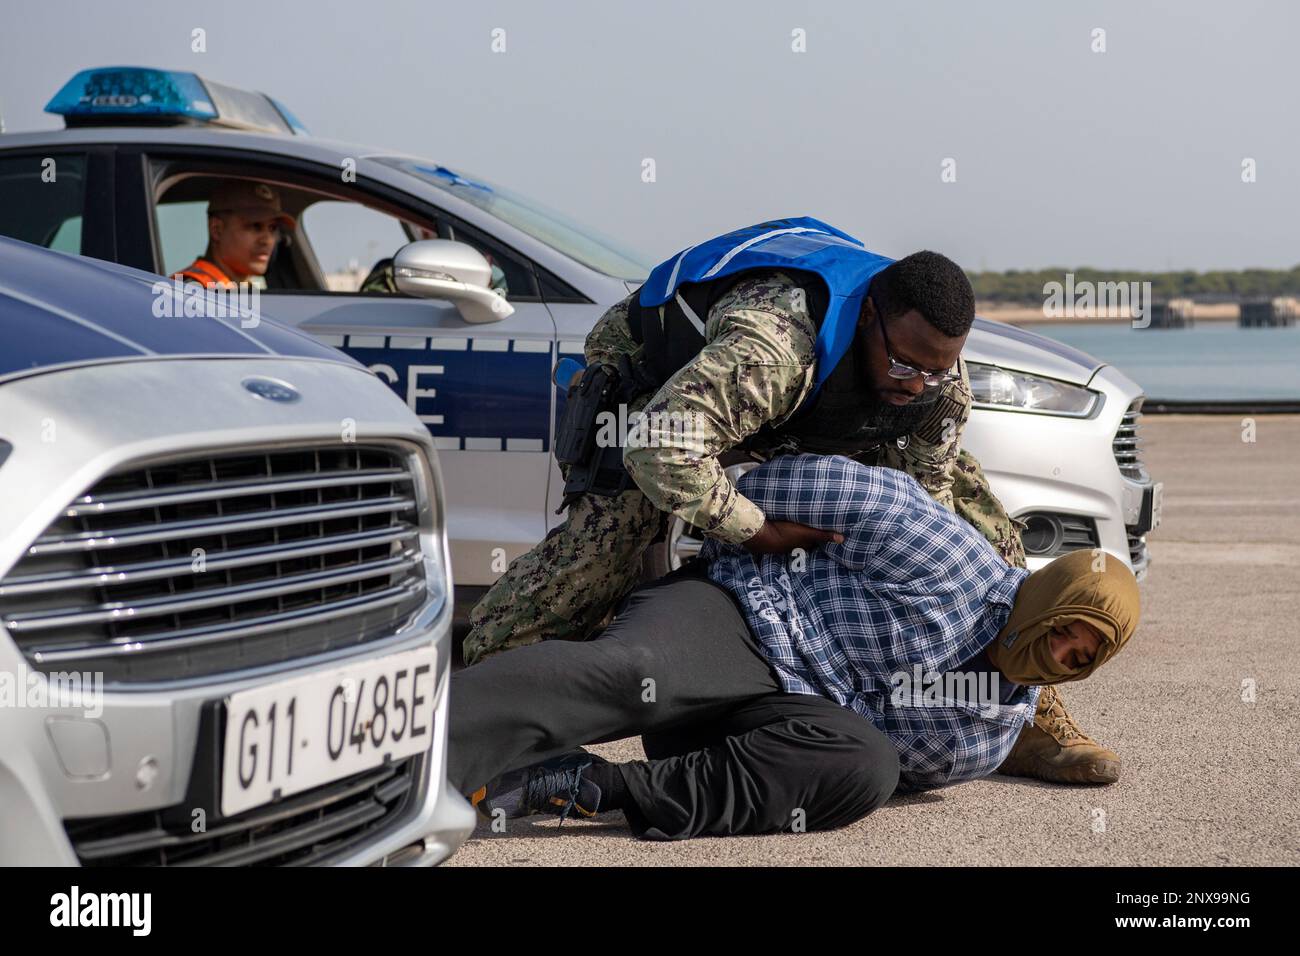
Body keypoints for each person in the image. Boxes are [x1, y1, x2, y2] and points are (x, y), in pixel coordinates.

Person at [464, 216, 1122, 785]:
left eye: (934, 370)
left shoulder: (937, 383)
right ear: (870, 319)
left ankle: (1027, 711)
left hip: (802, 403)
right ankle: (487, 685)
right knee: (602, 550)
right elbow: (660, 448)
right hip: (662, 386)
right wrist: (754, 530)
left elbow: (930, 509)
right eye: (904, 366)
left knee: (984, 525)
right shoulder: (773, 348)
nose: (918, 384)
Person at [449, 455, 1140, 840]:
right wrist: (768, 537)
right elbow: (767, 488)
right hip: (744, 619)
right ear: (1048, 597)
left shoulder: (986, 737)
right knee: (633, 673)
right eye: (1063, 627)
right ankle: (418, 754)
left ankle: (587, 784)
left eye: (1082, 656)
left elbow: (834, 768)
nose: (1061, 652)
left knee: (863, 770)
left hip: (746, 732)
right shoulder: (941, 550)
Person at [173, 180, 296, 288]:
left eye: (272, 228)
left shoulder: (244, 289)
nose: (267, 240)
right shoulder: (187, 291)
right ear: (217, 230)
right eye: (255, 226)